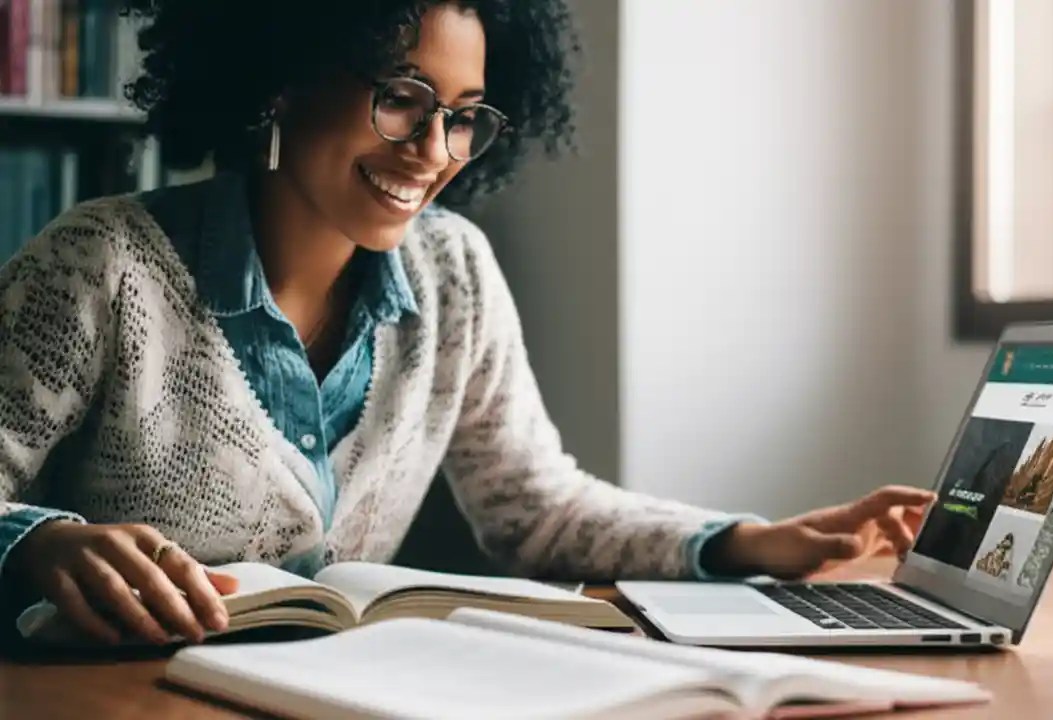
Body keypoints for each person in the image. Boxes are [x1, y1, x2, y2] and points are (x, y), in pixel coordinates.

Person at [0, 0, 934, 647]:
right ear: (282, 79)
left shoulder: (454, 273)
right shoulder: (102, 265)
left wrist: (744, 542)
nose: (433, 151)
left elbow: (535, 507)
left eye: (463, 116)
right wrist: (37, 541)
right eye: (402, 97)